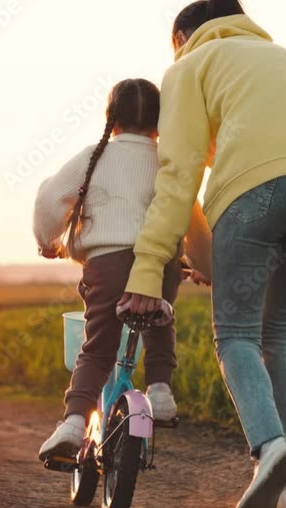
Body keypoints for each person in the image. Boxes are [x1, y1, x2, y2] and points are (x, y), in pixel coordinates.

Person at [119, 0, 286, 508]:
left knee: (237, 334)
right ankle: (284, 483)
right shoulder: (284, 58)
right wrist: (213, 260)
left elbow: (179, 179)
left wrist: (146, 268)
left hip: (257, 187)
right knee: (283, 327)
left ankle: (269, 446)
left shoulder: (188, 66)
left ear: (181, 37)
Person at [33, 78, 212, 462]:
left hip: (107, 265)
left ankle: (73, 425)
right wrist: (204, 265)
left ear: (111, 121)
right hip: (162, 263)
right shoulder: (168, 162)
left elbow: (49, 200)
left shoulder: (94, 158)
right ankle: (161, 393)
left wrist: (49, 242)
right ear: (161, 123)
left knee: (98, 348)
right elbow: (191, 218)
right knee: (161, 322)